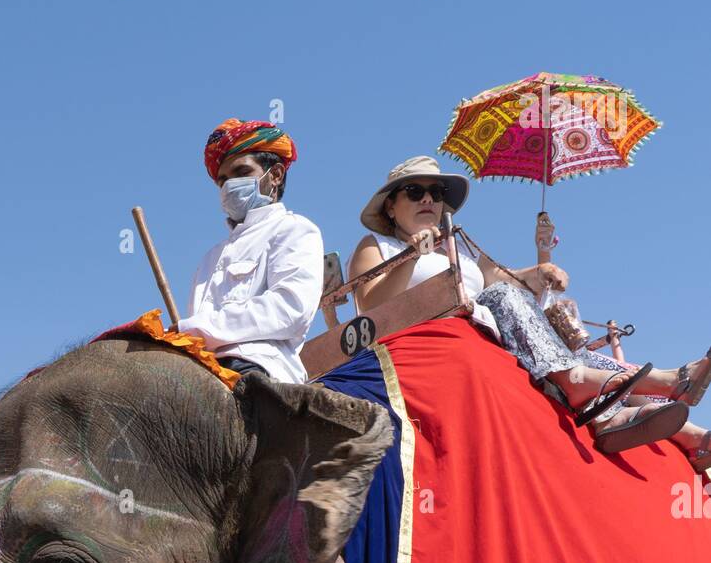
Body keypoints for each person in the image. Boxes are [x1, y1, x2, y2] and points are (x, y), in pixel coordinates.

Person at [349, 156, 711, 455]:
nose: (428, 199)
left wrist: (541, 269)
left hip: (489, 329)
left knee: (564, 339)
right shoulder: (377, 247)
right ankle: (590, 385)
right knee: (504, 300)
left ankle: (687, 430)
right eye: (415, 191)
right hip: (434, 332)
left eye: (435, 192)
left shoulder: (460, 248)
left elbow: (505, 277)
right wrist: (413, 255)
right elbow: (370, 304)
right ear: (391, 208)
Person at [175, 118, 324, 384]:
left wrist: (195, 330)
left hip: (258, 369)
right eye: (222, 180)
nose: (229, 186)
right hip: (199, 372)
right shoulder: (210, 258)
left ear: (275, 175)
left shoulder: (294, 230)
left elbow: (290, 310)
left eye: (241, 173)